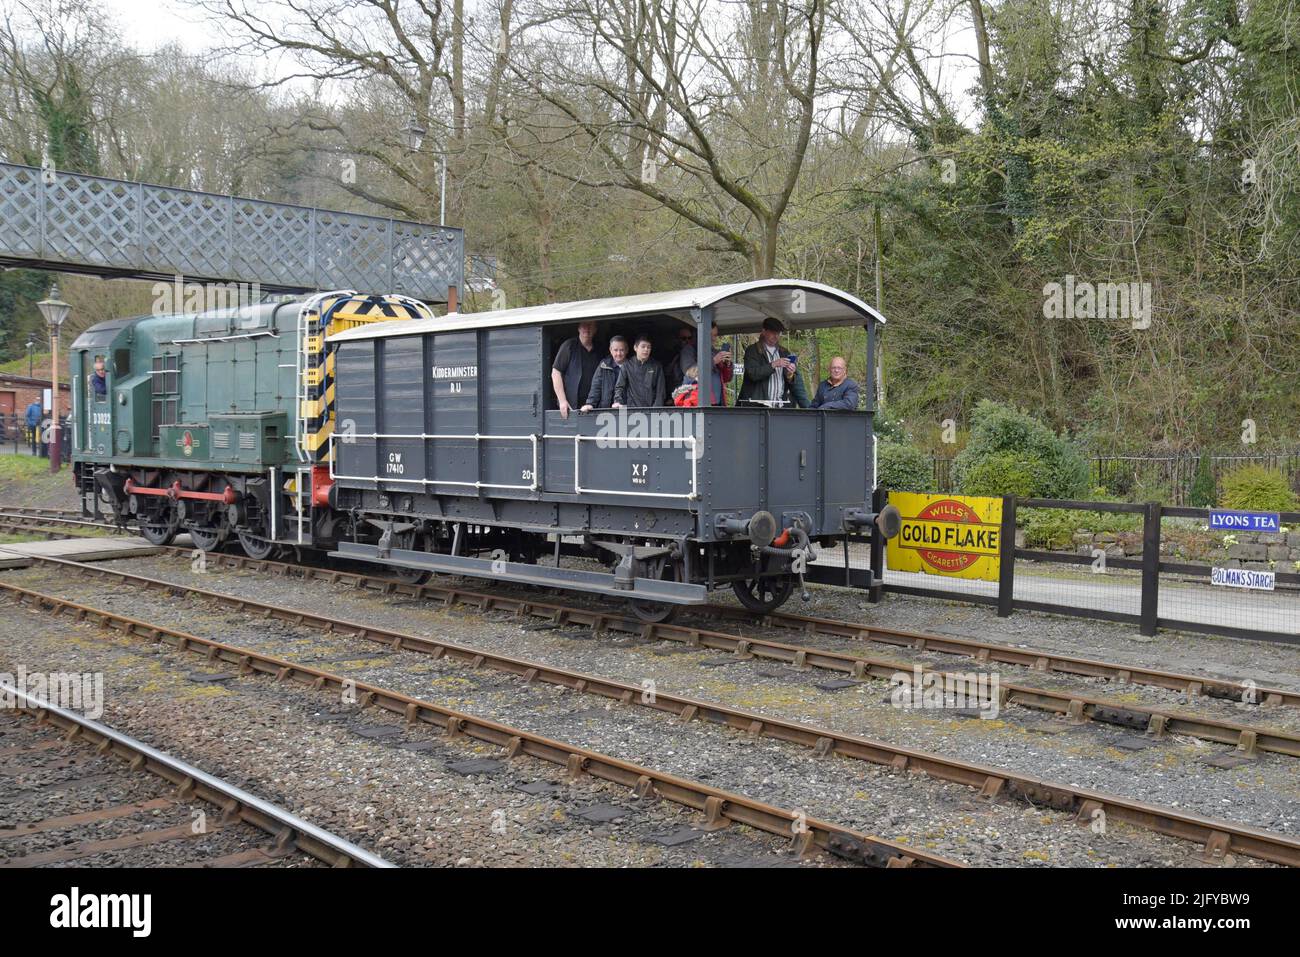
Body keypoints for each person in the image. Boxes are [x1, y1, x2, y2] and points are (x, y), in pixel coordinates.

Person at [738, 316, 798, 405]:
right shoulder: (752, 350)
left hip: (780, 404)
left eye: (778, 333)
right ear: (764, 331)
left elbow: (792, 382)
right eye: (773, 332)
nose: (776, 336)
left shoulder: (784, 352)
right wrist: (773, 364)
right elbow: (752, 374)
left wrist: (790, 375)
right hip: (757, 406)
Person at [550, 321, 601, 419]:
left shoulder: (600, 349)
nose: (587, 328)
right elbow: (556, 373)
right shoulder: (569, 346)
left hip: (595, 407)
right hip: (571, 409)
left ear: (595, 330)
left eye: (590, 325)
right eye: (584, 325)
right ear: (578, 328)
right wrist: (562, 401)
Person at [679, 325, 734, 406]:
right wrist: (713, 361)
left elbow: (727, 379)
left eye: (715, 335)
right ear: (700, 334)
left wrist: (727, 364)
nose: (713, 338)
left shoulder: (715, 352)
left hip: (718, 403)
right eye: (710, 335)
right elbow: (690, 371)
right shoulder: (689, 350)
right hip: (697, 403)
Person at [612, 334, 665, 408]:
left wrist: (656, 409)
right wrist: (617, 401)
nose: (646, 349)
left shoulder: (656, 366)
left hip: (652, 410)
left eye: (648, 347)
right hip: (632, 411)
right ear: (635, 348)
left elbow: (660, 391)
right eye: (643, 346)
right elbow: (619, 386)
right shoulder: (627, 365)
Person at [581, 335, 628, 411]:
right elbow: (596, 386)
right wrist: (590, 403)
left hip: (625, 411)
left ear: (627, 350)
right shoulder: (604, 365)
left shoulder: (632, 367)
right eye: (615, 350)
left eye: (621, 350)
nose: (618, 353)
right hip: (605, 411)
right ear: (610, 350)